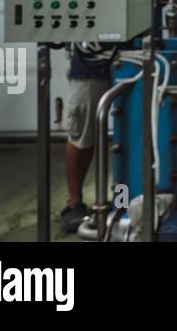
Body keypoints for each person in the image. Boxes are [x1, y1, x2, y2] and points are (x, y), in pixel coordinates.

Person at [59, 42, 112, 233]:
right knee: (82, 134)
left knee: (129, 132)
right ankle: (74, 202)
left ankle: (124, 199)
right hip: (90, 65)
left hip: (136, 55)